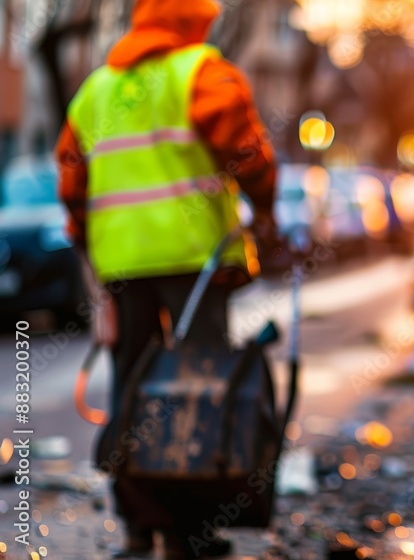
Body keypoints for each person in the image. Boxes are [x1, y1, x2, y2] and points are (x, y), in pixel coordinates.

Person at [55, 0, 278, 557]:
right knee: (196, 389)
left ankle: (137, 524)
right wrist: (266, 210)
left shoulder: (95, 91)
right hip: (192, 258)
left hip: (121, 263)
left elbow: (72, 182)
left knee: (132, 386)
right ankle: (189, 529)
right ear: (190, 23)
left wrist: (90, 245)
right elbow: (246, 150)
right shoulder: (201, 71)